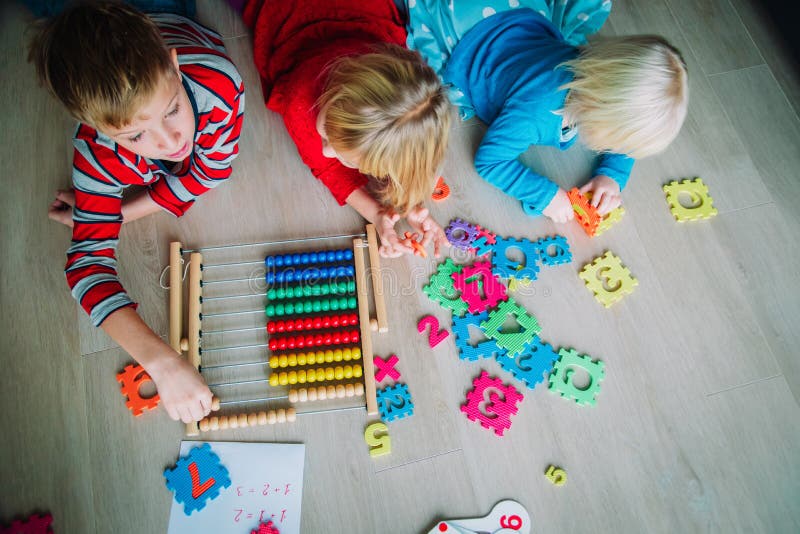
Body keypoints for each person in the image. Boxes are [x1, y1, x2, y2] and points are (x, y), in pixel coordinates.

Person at [29, 0, 245, 423]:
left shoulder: (218, 84)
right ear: (100, 131)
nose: (171, 141)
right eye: (136, 135)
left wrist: (120, 214)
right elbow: (86, 266)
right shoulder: (97, 152)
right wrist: (161, 362)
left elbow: (209, 172)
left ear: (175, 65)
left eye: (172, 110)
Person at [406, 1, 689, 222]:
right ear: (598, 111)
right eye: (618, 144)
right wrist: (547, 197)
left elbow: (623, 124)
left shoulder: (592, 74)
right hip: (468, 36)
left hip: (513, 18)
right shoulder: (534, 114)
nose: (620, 150)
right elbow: (490, 161)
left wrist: (612, 174)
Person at [240, 0, 452, 257]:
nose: (327, 153)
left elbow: (408, 148)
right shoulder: (301, 100)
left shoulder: (401, 81)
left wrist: (407, 204)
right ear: (331, 96)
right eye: (328, 137)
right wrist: (376, 211)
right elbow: (326, 168)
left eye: (343, 155)